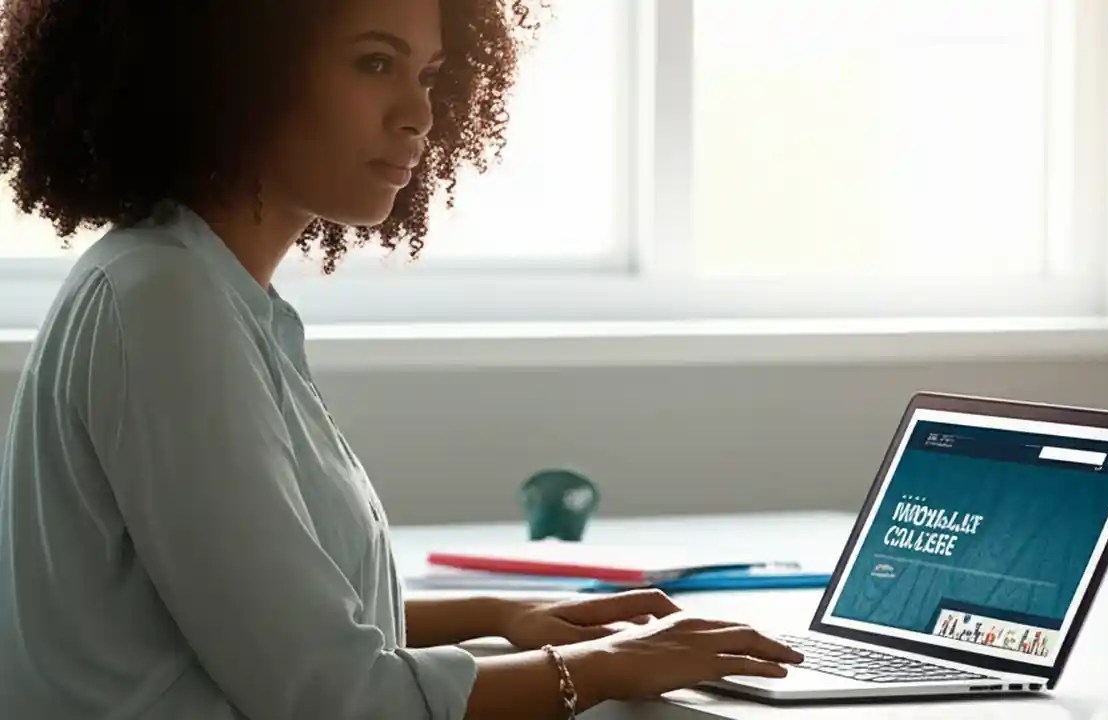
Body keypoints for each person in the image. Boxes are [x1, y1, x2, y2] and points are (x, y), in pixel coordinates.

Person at [0, 1, 802, 718]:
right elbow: (336, 698)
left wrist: (503, 616)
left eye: (428, 75)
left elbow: (281, 622)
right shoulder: (167, 307)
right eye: (375, 63)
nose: (420, 113)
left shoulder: (203, 290)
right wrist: (600, 669)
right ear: (238, 70)